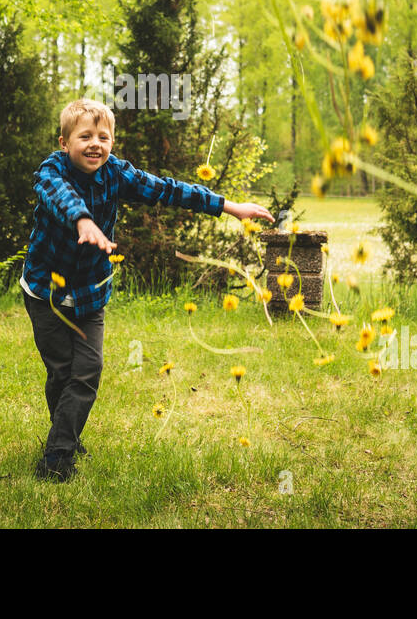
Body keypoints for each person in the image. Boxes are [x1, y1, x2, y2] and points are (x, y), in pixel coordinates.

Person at [20, 98, 275, 482]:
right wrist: (83, 220)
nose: (95, 144)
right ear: (64, 142)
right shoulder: (50, 171)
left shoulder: (116, 173)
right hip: (46, 294)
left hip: (90, 293)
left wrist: (229, 207)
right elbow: (59, 196)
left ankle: (56, 458)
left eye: (103, 137)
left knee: (86, 373)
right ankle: (67, 434)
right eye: (85, 136)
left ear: (112, 143)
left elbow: (168, 190)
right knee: (60, 374)